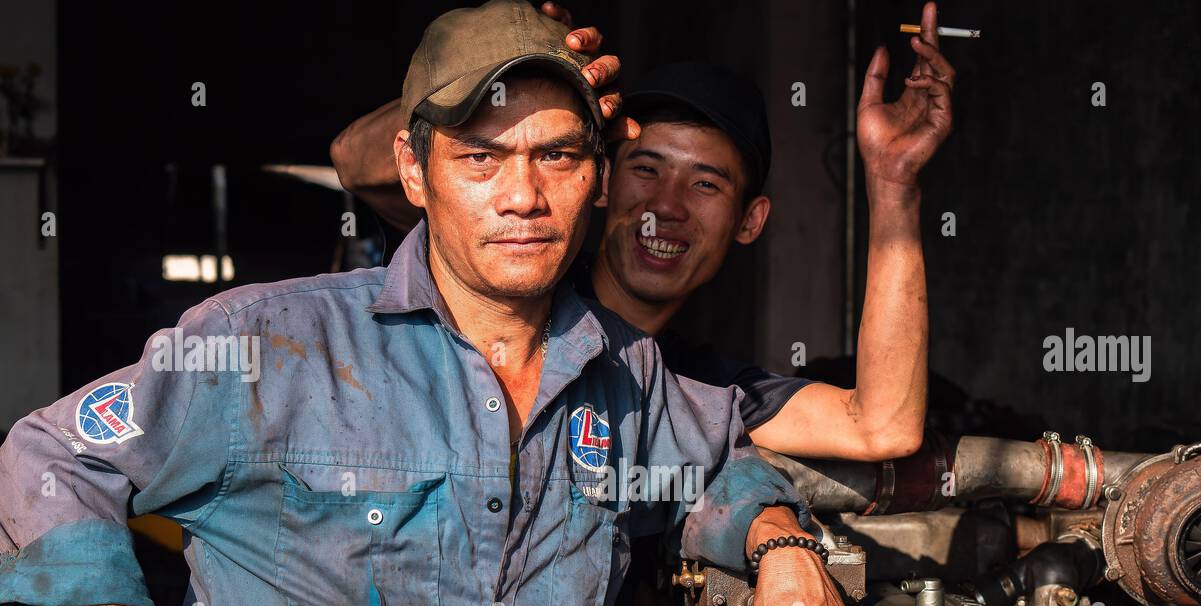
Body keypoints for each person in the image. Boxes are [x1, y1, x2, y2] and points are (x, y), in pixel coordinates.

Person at [0, 0, 855, 606]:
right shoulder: (271, 345)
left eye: (557, 156)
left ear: (597, 178)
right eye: (481, 158)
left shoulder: (624, 377)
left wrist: (783, 543)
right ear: (415, 171)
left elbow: (714, 462)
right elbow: (42, 459)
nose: (523, 196)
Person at [331, 1, 956, 461]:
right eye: (647, 169)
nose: (667, 206)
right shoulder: (511, 270)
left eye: (706, 184)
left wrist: (893, 183)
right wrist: (506, 72)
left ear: (750, 221)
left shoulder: (693, 388)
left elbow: (882, 426)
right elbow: (352, 161)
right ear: (599, 180)